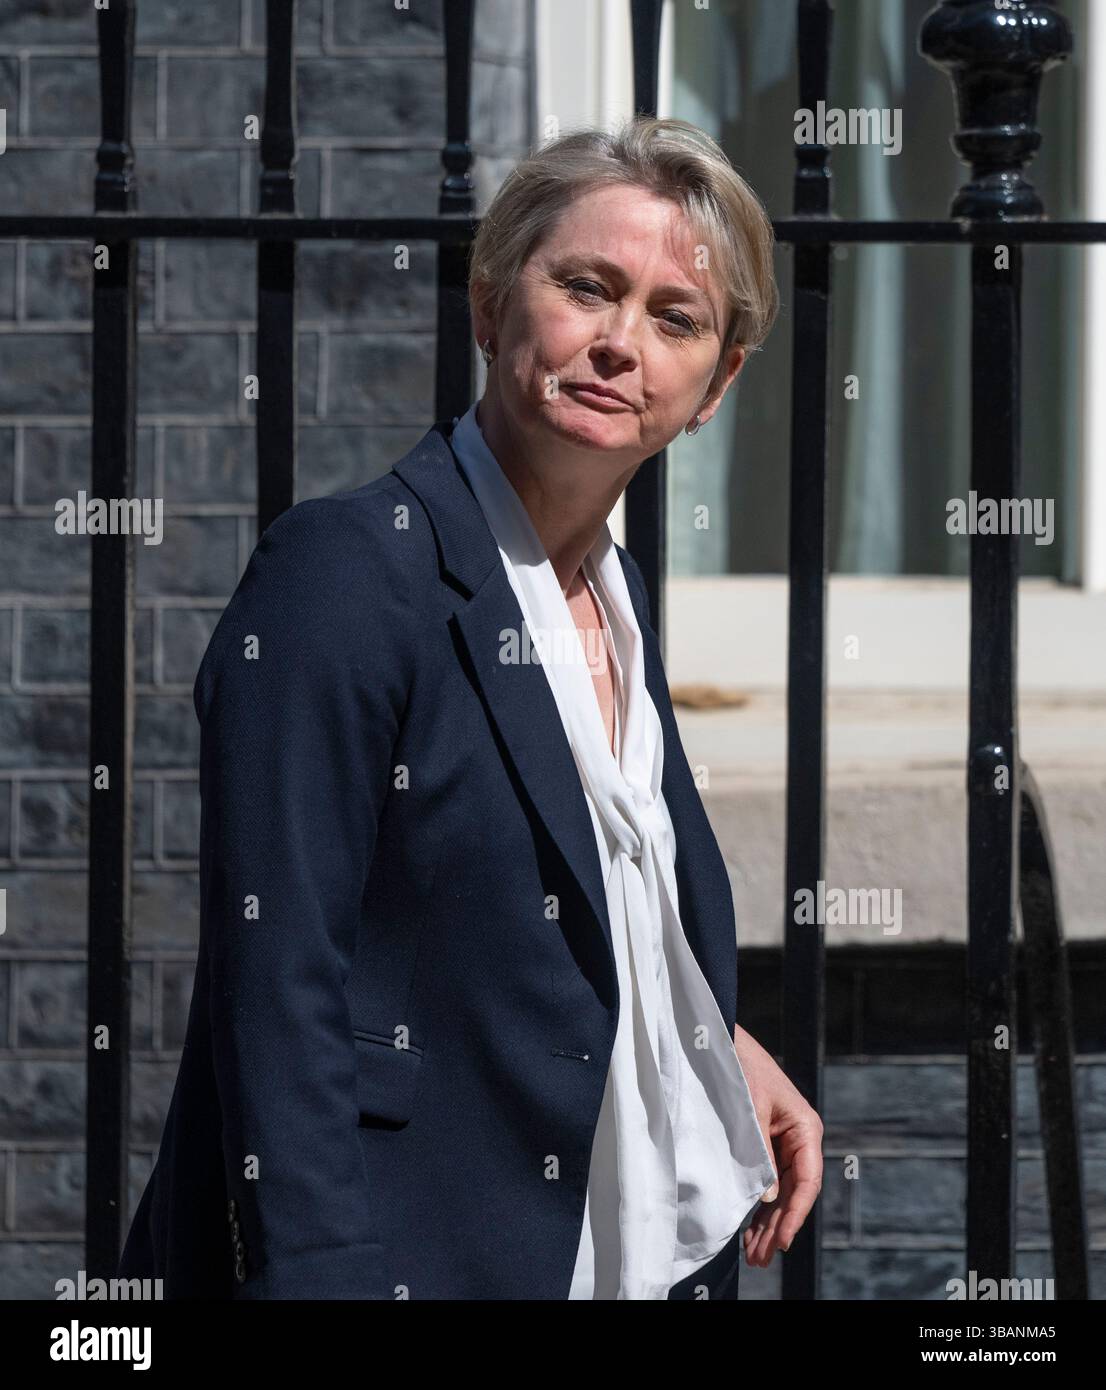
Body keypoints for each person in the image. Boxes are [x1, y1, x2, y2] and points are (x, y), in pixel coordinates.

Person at [118, 114, 823, 1300]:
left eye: (673, 318)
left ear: (715, 385)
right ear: (490, 305)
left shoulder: (613, 595)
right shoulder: (344, 574)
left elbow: (548, 899)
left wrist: (707, 1039)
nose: (617, 344)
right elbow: (277, 987)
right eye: (585, 288)